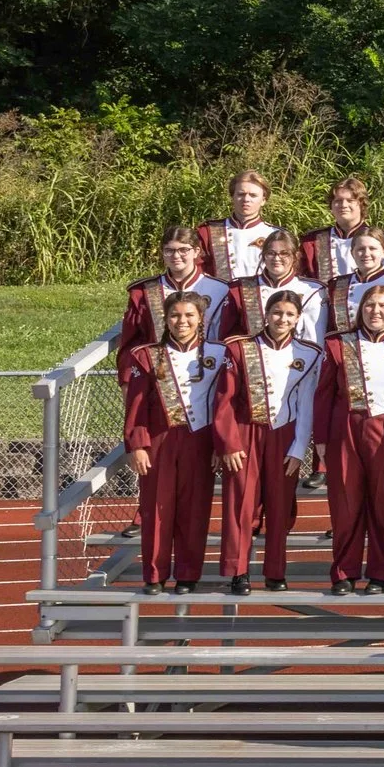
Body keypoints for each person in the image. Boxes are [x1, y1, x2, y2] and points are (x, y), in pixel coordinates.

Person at [211, 291, 320, 593]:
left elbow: (306, 404)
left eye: (289, 314)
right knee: (240, 503)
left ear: (298, 318)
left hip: (285, 434)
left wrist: (299, 448)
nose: (282, 319)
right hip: (245, 433)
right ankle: (238, 570)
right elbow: (225, 402)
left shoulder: (309, 354)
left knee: (281, 504)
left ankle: (275, 570)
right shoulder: (240, 349)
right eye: (276, 312)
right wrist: (228, 444)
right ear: (265, 314)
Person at [123, 292, 228, 594]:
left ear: (200, 319)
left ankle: (187, 573)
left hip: (201, 439)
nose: (182, 321)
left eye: (188, 316)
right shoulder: (145, 355)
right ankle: (154, 574)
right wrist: (138, 444)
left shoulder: (219, 354)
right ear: (165, 319)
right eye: (175, 316)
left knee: (194, 509)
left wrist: (222, 445)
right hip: (159, 439)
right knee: (156, 507)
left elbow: (225, 405)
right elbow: (136, 405)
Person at [317, 288, 384, 593]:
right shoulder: (338, 343)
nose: (375, 311)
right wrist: (321, 437)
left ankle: (381, 572)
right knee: (345, 503)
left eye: (382, 305)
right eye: (369, 305)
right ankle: (344, 572)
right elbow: (323, 395)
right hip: (345, 428)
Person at [119, 228, 231, 386]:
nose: (176, 256)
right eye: (169, 251)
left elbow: (230, 337)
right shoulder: (144, 291)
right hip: (159, 376)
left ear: (196, 251)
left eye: (183, 250)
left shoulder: (222, 290)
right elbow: (131, 343)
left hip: (211, 373)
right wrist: (126, 382)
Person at [219, 229, 327, 343]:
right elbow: (227, 337)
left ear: (295, 256)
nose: (276, 258)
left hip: (299, 358)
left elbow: (315, 339)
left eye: (284, 253)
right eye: (271, 253)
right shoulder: (240, 288)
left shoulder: (313, 290)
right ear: (263, 255)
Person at [304, 176, 384, 284]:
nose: (343, 205)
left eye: (350, 200)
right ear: (331, 206)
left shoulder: (382, 239)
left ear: (361, 204)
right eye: (338, 201)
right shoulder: (313, 241)